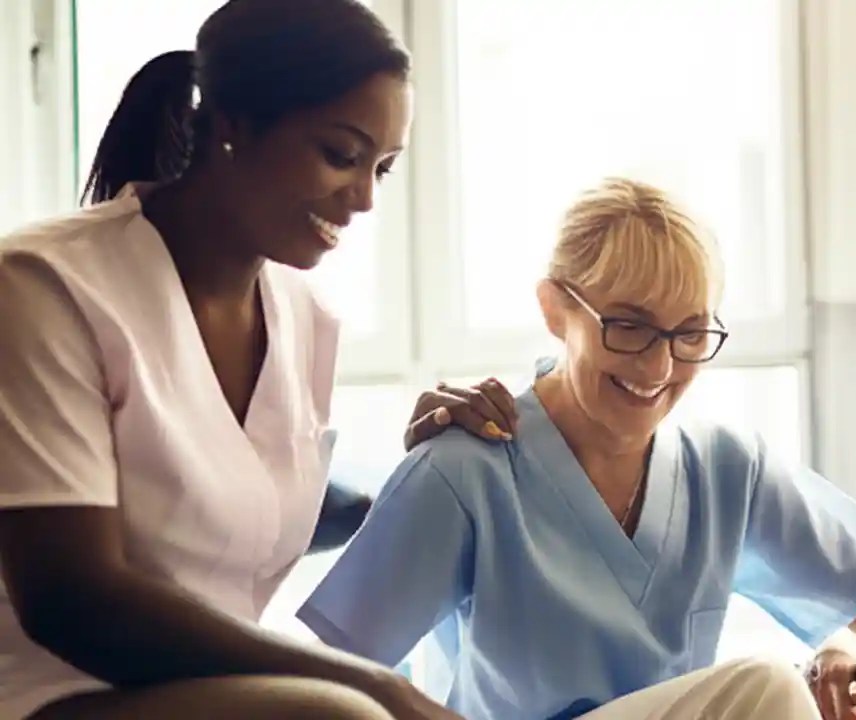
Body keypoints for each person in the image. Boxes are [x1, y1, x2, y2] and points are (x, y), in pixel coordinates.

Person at [0, 1, 506, 717]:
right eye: (341, 155)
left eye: (384, 169)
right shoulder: (43, 285)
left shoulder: (307, 322)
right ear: (235, 124)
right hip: (46, 695)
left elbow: (251, 505)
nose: (363, 199)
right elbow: (72, 600)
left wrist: (436, 467)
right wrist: (373, 682)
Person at [299, 178, 856, 720]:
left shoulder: (725, 468)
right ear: (556, 310)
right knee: (766, 688)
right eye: (629, 326)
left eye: (690, 333)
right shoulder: (465, 467)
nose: (659, 365)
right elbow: (323, 682)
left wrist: (842, 653)